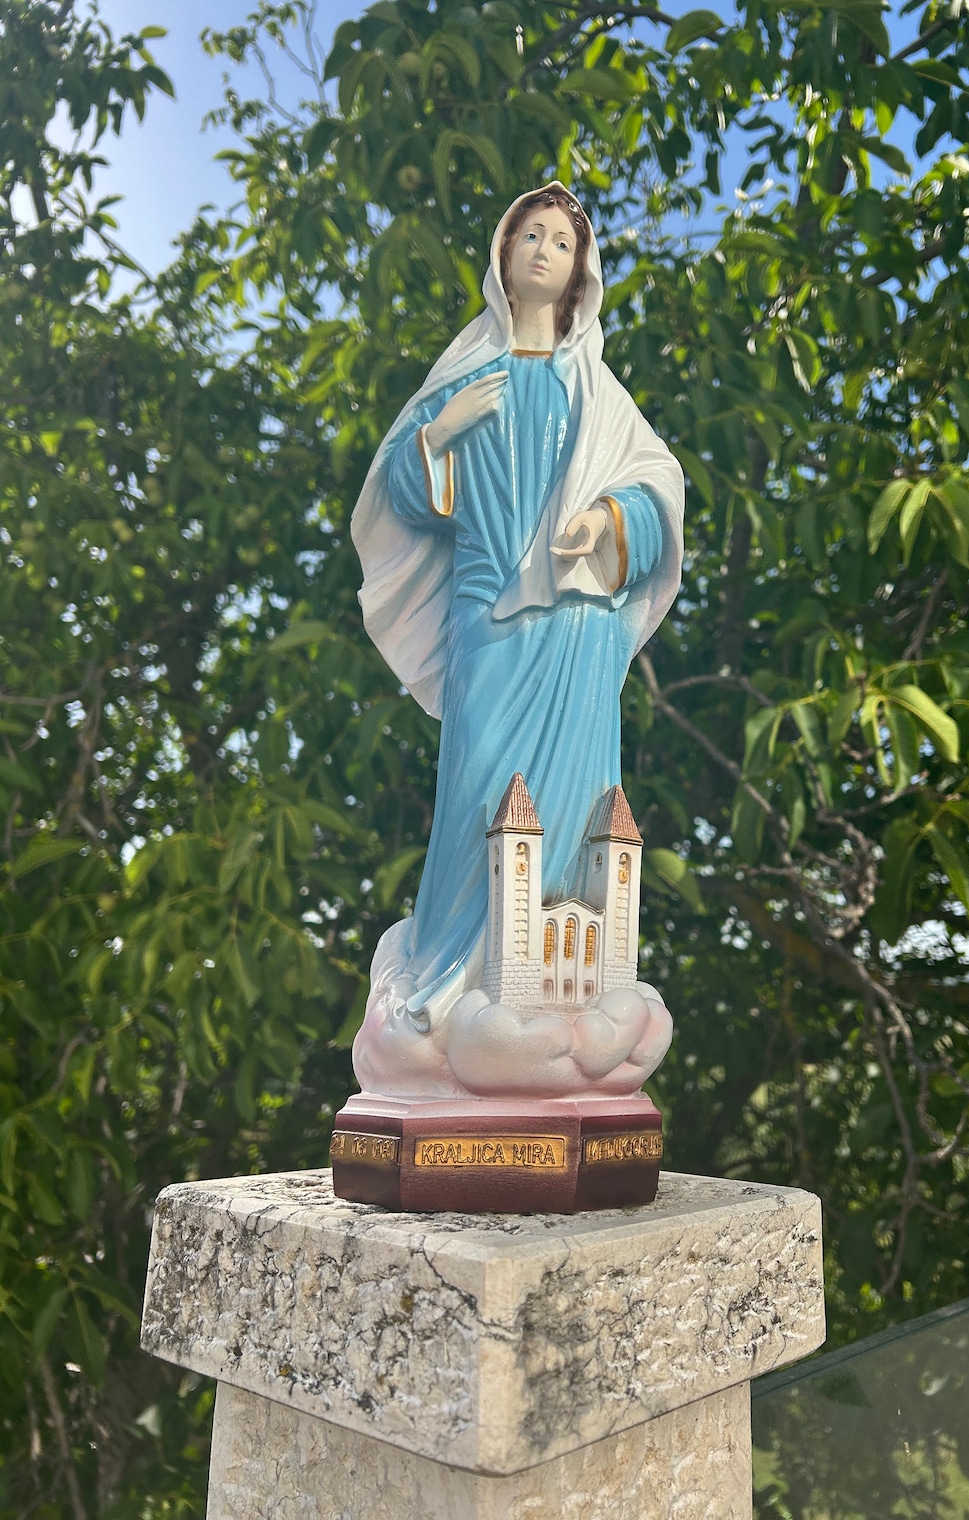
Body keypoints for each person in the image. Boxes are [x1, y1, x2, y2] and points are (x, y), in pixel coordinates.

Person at [349, 183, 684, 1096]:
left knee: (574, 812)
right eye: (528, 234)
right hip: (489, 618)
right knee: (480, 799)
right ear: (502, 255)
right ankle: (454, 976)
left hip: (577, 626)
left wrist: (610, 522)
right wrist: (437, 433)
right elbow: (402, 502)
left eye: (561, 240)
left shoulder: (600, 393)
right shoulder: (464, 380)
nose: (542, 249)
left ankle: (553, 999)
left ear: (581, 272)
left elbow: (660, 496)